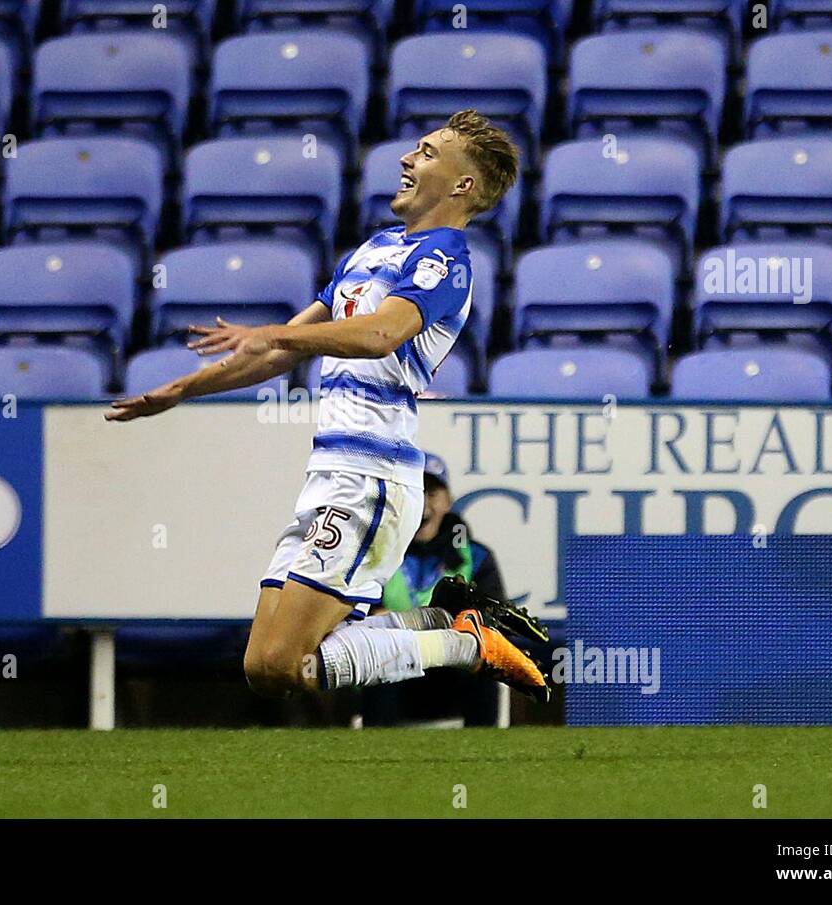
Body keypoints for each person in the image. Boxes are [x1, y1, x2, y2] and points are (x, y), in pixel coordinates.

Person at [106, 109, 550, 703]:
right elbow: (281, 349)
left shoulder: (445, 260)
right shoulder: (375, 249)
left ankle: (465, 645)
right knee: (265, 668)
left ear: (463, 184)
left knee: (289, 662)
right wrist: (183, 390)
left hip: (372, 476)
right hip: (328, 474)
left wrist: (271, 333)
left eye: (426, 153)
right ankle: (449, 627)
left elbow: (379, 335)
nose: (406, 158)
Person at [362, 452, 511, 726]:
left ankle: (484, 747)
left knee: (485, 660)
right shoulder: (377, 553)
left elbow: (494, 620)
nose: (423, 503)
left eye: (431, 493)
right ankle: (375, 747)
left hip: (451, 667)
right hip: (396, 664)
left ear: (448, 501)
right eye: (415, 492)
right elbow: (360, 615)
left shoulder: (475, 556)